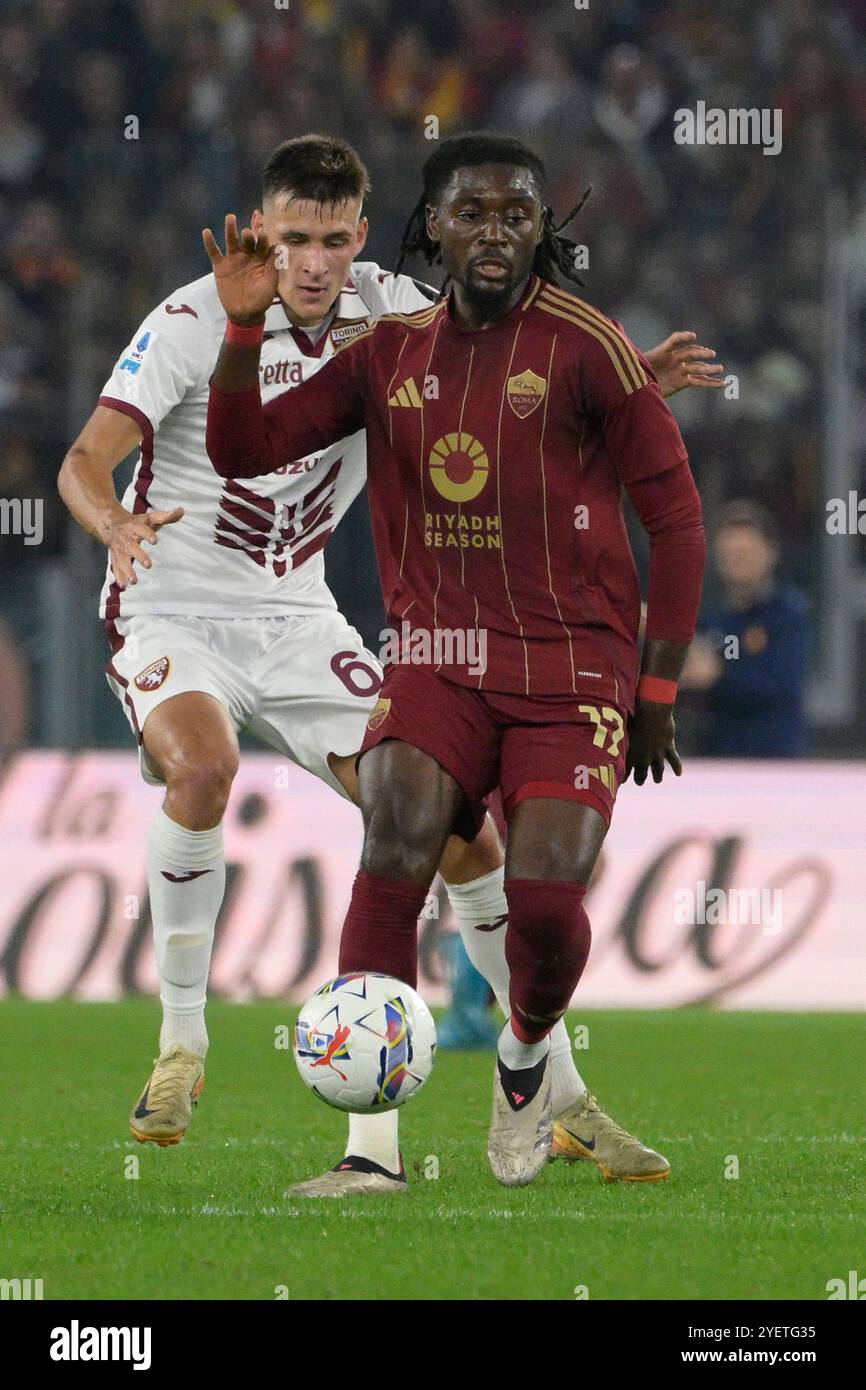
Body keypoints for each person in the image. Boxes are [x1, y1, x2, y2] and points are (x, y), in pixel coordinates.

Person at [59, 133, 717, 1197]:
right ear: (261, 236)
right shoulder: (192, 316)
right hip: (171, 599)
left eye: (328, 241)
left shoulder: (388, 305)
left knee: (458, 840)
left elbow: (503, 349)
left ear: (362, 238)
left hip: (296, 612)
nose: (309, 264)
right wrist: (113, 528)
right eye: (288, 242)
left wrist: (627, 385)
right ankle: (183, 1044)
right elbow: (84, 460)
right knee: (203, 770)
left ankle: (549, 1091)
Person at [680, 500, 811, 756]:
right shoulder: (710, 622)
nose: (737, 565)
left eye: (745, 555)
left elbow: (781, 683)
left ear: (770, 553)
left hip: (774, 761)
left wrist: (718, 676)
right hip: (717, 764)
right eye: (730, 557)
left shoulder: (788, 615)